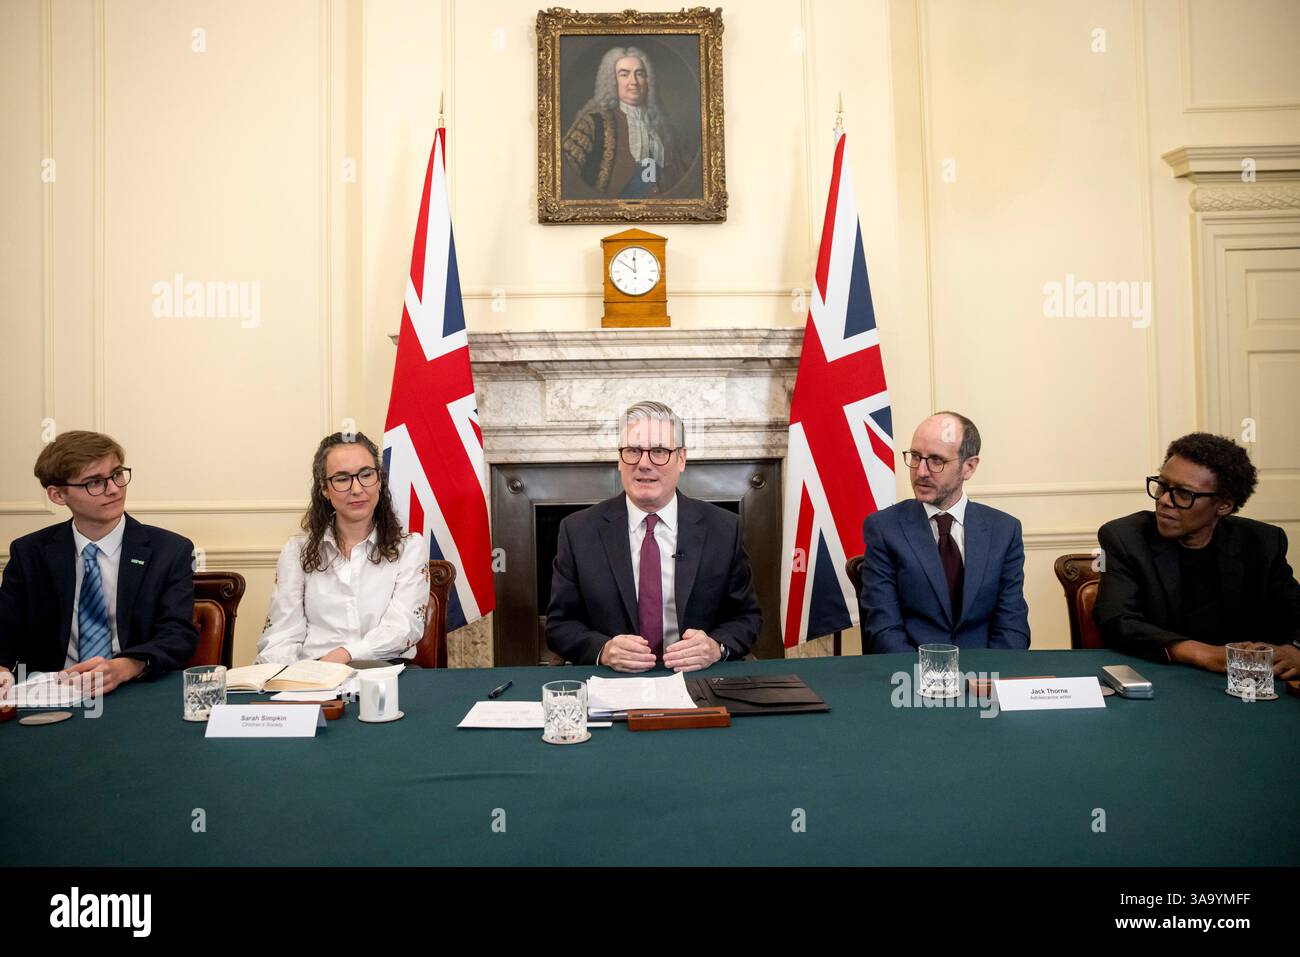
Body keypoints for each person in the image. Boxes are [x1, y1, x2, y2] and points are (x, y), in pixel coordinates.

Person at [546, 401, 762, 672]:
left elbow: (746, 618)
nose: (644, 464)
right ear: (619, 459)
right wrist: (603, 650)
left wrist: (715, 647)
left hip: (698, 680)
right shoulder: (577, 531)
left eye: (659, 451)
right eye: (633, 451)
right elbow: (560, 625)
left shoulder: (724, 529)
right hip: (612, 682)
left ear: (681, 459)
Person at [0, 431, 198, 696]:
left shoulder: (170, 550)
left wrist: (126, 666)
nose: (114, 489)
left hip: (134, 690)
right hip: (51, 695)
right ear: (58, 495)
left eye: (117, 474)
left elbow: (178, 634)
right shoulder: (29, 553)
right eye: (95, 482)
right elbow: (6, 629)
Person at [1094, 433, 1300, 677]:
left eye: (1184, 494)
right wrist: (1203, 654)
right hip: (1165, 677)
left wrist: (1294, 649)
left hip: (1249, 683)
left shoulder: (1262, 543)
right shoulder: (1125, 537)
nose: (1163, 500)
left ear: (1224, 505)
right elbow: (1117, 621)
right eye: (1162, 486)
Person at [860, 412, 1030, 653]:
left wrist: (988, 680)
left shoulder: (1004, 530)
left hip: (986, 677)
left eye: (936, 460)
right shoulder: (884, 529)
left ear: (969, 467)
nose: (921, 471)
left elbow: (1012, 626)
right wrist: (927, 682)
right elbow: (884, 630)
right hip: (912, 677)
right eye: (916, 457)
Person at [255, 432, 428, 664]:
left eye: (366, 475)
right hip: (313, 676)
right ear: (324, 489)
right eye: (342, 479)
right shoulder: (297, 551)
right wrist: (285, 677)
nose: (357, 489)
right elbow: (281, 635)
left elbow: (403, 628)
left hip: (386, 671)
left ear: (379, 481)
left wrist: (344, 655)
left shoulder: (409, 547)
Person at [561, 46, 690, 199]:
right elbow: (564, 176)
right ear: (612, 81)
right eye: (624, 74)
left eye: (639, 74)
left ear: (648, 80)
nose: (633, 81)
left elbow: (683, 181)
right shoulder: (592, 124)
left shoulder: (663, 128)